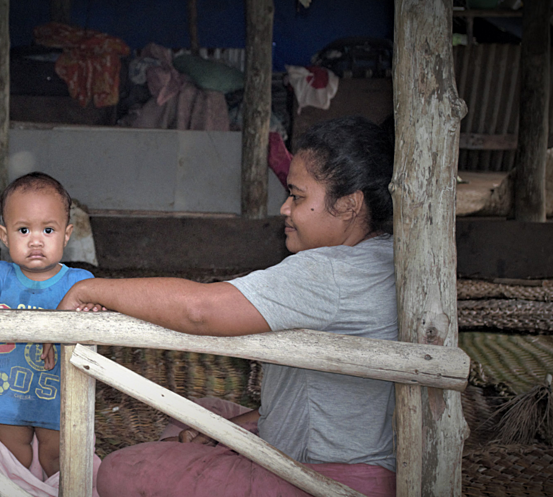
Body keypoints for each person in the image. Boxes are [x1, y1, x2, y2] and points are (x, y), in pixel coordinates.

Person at [58, 116, 398, 497]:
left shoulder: (329, 271)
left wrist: (90, 288)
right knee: (201, 411)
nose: (285, 209)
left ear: (350, 205)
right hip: (369, 467)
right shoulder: (385, 257)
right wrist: (232, 432)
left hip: (316, 480)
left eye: (298, 197)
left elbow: (199, 311)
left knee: (119, 471)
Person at [0, 173, 100, 496]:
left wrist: (94, 307)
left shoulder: (79, 281)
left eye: (48, 230)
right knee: (13, 457)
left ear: (67, 234)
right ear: (4, 236)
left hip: (62, 398)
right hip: (11, 397)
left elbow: (98, 301)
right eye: (24, 230)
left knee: (58, 457)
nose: (36, 240)